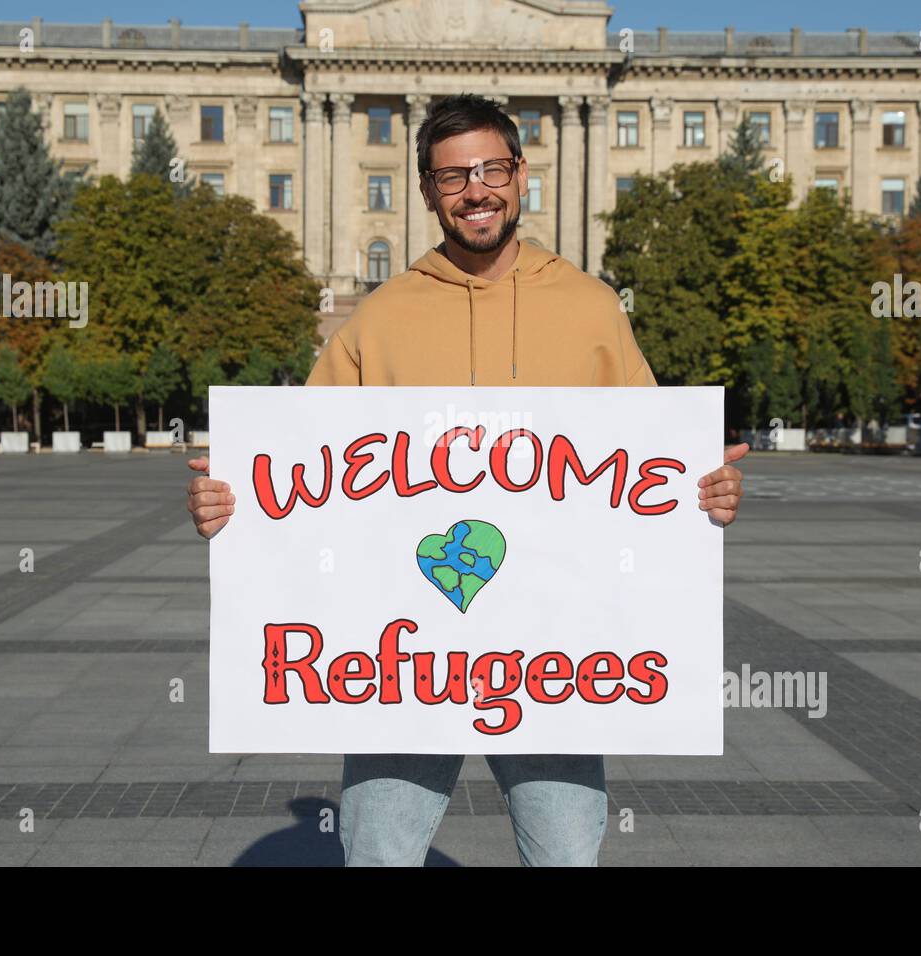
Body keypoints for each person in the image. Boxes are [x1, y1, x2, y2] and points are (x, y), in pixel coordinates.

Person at [187, 93, 748, 866]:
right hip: (402, 652)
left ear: (521, 176)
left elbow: (650, 472)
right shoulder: (378, 319)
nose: (475, 190)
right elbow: (298, 472)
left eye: (491, 169)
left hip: (556, 648)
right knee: (379, 853)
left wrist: (704, 494)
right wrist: (233, 503)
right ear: (427, 191)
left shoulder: (591, 310)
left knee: (563, 856)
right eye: (453, 177)